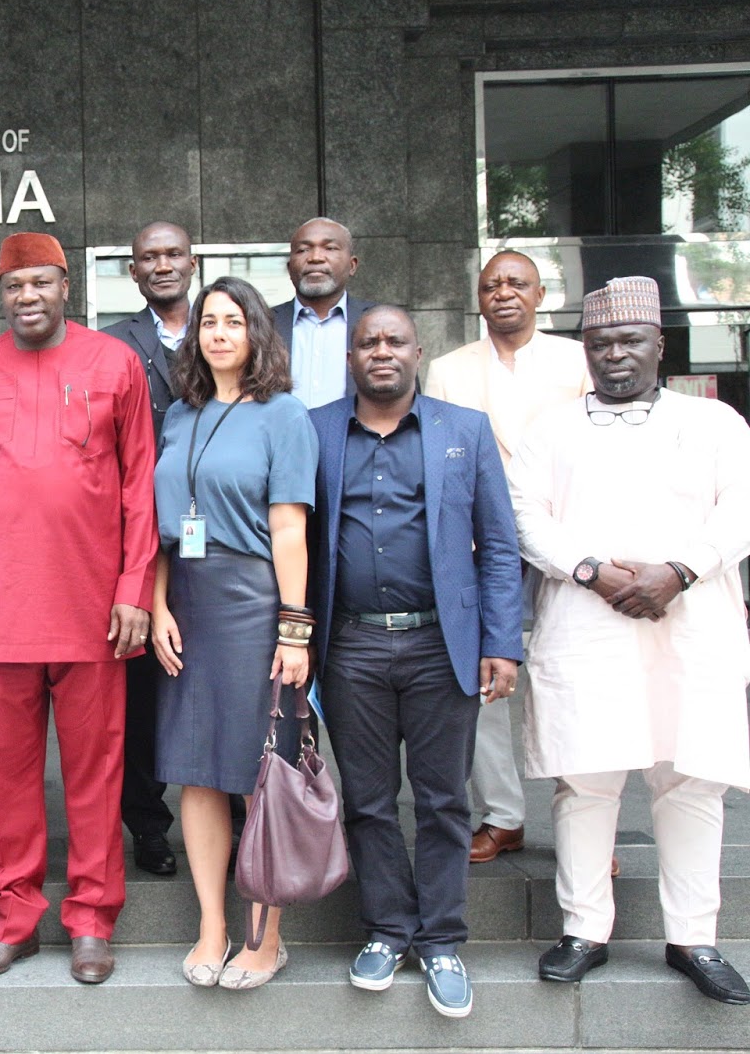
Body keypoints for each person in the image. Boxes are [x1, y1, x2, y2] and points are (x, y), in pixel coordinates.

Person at [509, 276, 750, 1005]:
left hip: (692, 620)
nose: (615, 355)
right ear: (585, 349)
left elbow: (739, 510)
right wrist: (590, 571)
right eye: (600, 342)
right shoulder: (550, 428)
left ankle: (694, 937)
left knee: (690, 781)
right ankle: (585, 930)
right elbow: (525, 515)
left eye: (629, 341)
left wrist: (680, 571)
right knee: (585, 781)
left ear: (660, 346)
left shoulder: (714, 423)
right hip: (587, 622)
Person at [0, 232, 158, 985]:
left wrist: (135, 589)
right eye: (14, 287)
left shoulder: (116, 364)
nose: (27, 297)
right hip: (0, 610)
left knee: (96, 773)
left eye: (41, 283)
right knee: (4, 779)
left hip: (94, 608)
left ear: (67, 286)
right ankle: (14, 919)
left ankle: (93, 918)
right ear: (1, 297)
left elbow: (140, 486)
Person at [308, 305, 522, 1019]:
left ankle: (441, 941)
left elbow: (497, 546)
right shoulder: (315, 432)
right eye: (367, 341)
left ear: (418, 351)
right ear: (350, 357)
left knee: (442, 800)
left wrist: (501, 641)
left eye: (394, 340)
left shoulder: (464, 431)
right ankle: (386, 929)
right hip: (352, 645)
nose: (381, 351)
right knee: (366, 801)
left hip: (441, 643)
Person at [149, 276, 316, 989]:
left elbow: (288, 529)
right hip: (187, 603)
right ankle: (212, 925)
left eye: (233, 321)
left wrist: (295, 628)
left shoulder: (284, 415)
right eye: (208, 322)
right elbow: (158, 529)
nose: (218, 333)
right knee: (197, 771)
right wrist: (156, 607)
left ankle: (264, 935)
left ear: (256, 333)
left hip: (254, 605)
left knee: (258, 773)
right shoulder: (179, 416)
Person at [424, 251, 592, 865]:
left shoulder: (577, 361)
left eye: (517, 283)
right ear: (478, 296)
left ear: (541, 294)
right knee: (484, 681)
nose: (503, 293)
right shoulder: (446, 369)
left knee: (571, 676)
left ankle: (587, 826)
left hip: (568, 541)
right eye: (491, 285)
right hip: (480, 545)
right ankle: (503, 816)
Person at [103, 220, 200, 877]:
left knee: (210, 680)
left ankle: (235, 814)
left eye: (173, 254)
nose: (161, 265)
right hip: (134, 535)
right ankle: (149, 824)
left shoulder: (226, 329)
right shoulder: (109, 345)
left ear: (193, 262)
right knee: (138, 689)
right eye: (148, 259)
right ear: (132, 273)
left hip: (214, 538)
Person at [271, 217, 381, 410]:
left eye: (329, 248)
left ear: (352, 265)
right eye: (304, 250)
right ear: (289, 268)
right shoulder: (263, 323)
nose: (315, 257)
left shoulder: (380, 322)